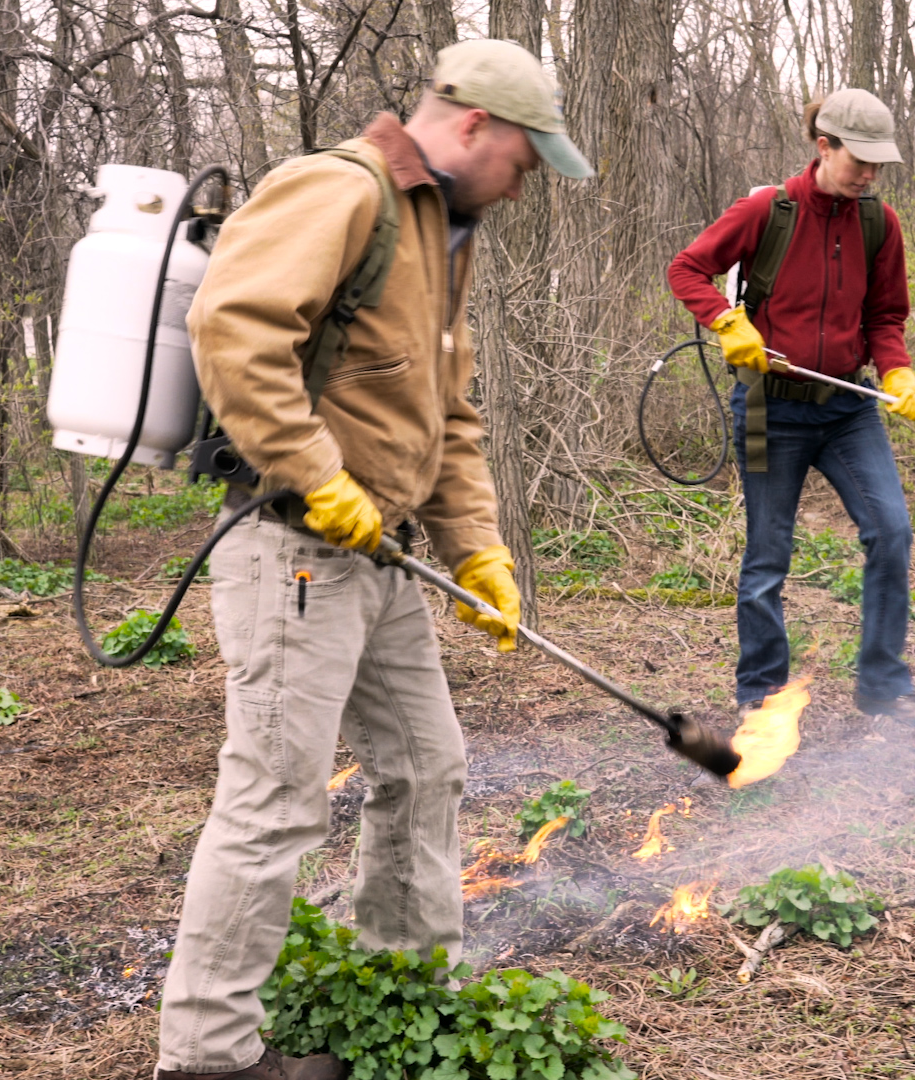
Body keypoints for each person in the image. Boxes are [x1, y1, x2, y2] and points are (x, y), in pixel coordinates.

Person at [152, 39, 593, 1080]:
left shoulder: (446, 229)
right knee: (274, 801)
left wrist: (478, 552)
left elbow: (447, 411)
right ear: (475, 126)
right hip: (293, 550)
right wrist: (316, 473)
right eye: (526, 161)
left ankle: (401, 983)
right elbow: (236, 326)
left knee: (425, 762)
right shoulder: (339, 189)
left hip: (380, 556)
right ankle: (206, 1058)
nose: (525, 186)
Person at [666, 88, 915, 727]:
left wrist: (897, 372)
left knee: (893, 531)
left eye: (880, 162)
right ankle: (762, 696)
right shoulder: (769, 210)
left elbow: (885, 315)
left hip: (849, 409)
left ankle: (883, 683)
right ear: (825, 146)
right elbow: (687, 269)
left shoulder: (880, 224)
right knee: (768, 554)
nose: (870, 173)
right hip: (769, 412)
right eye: (860, 160)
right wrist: (725, 321)